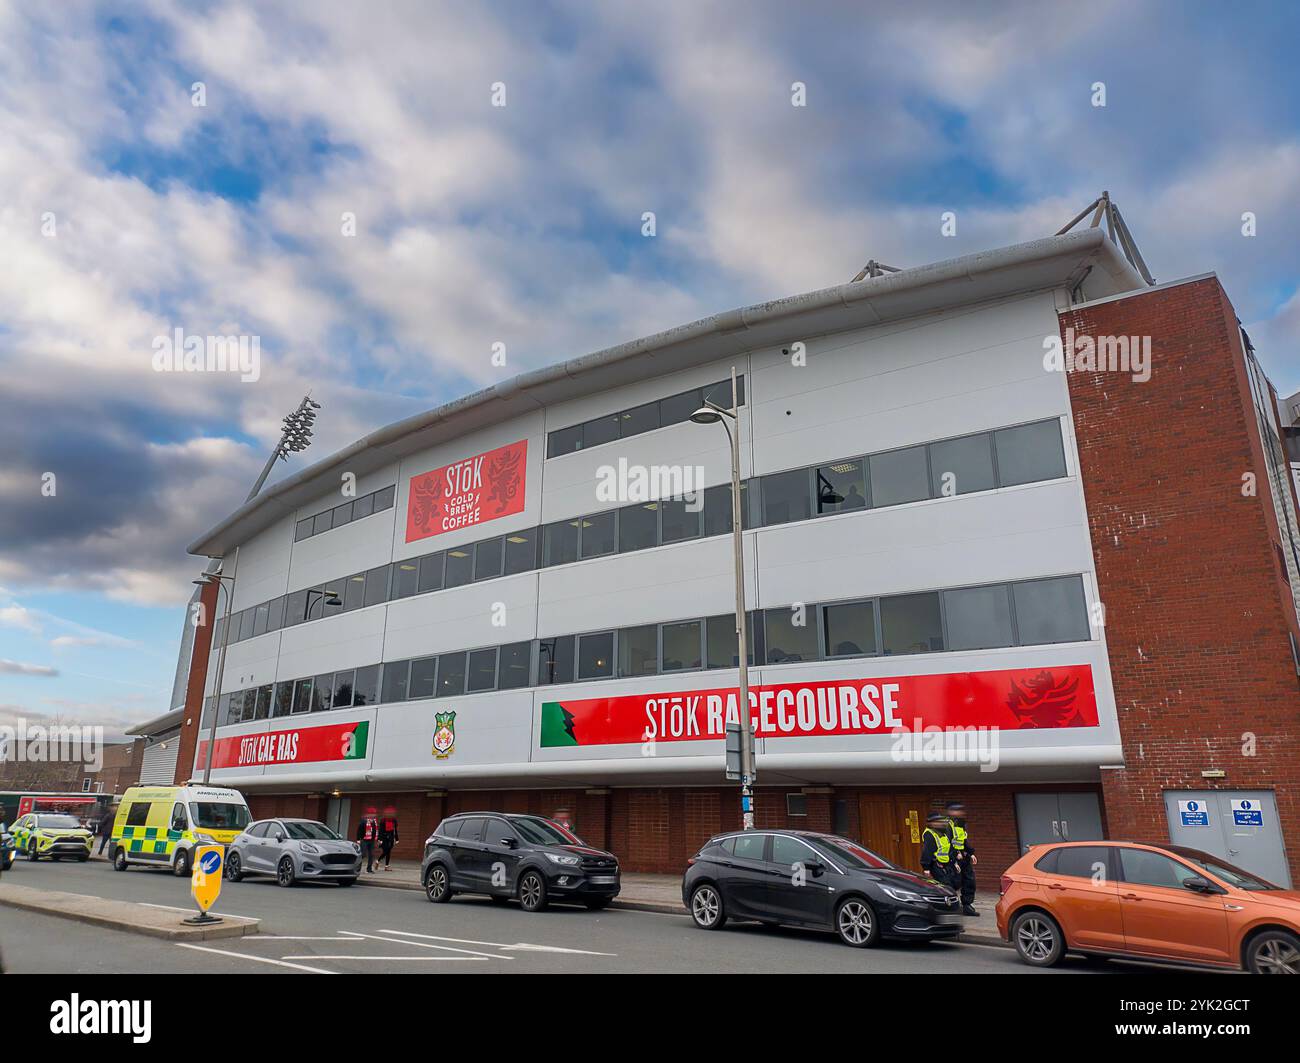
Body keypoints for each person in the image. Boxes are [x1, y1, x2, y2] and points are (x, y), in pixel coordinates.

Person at [946, 801, 979, 916]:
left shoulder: (961, 824)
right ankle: (950, 906)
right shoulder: (947, 825)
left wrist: (971, 853)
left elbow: (964, 841)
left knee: (969, 881)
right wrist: (955, 855)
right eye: (956, 810)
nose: (959, 813)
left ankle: (967, 905)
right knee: (954, 882)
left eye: (960, 810)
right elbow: (947, 843)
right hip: (953, 859)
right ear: (950, 812)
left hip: (964, 858)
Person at [919, 810, 955, 890]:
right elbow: (927, 851)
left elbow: (948, 847)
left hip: (946, 863)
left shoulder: (942, 832)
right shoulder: (929, 833)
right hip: (936, 864)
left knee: (951, 884)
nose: (939, 823)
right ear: (930, 823)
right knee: (945, 887)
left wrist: (954, 862)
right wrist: (926, 868)